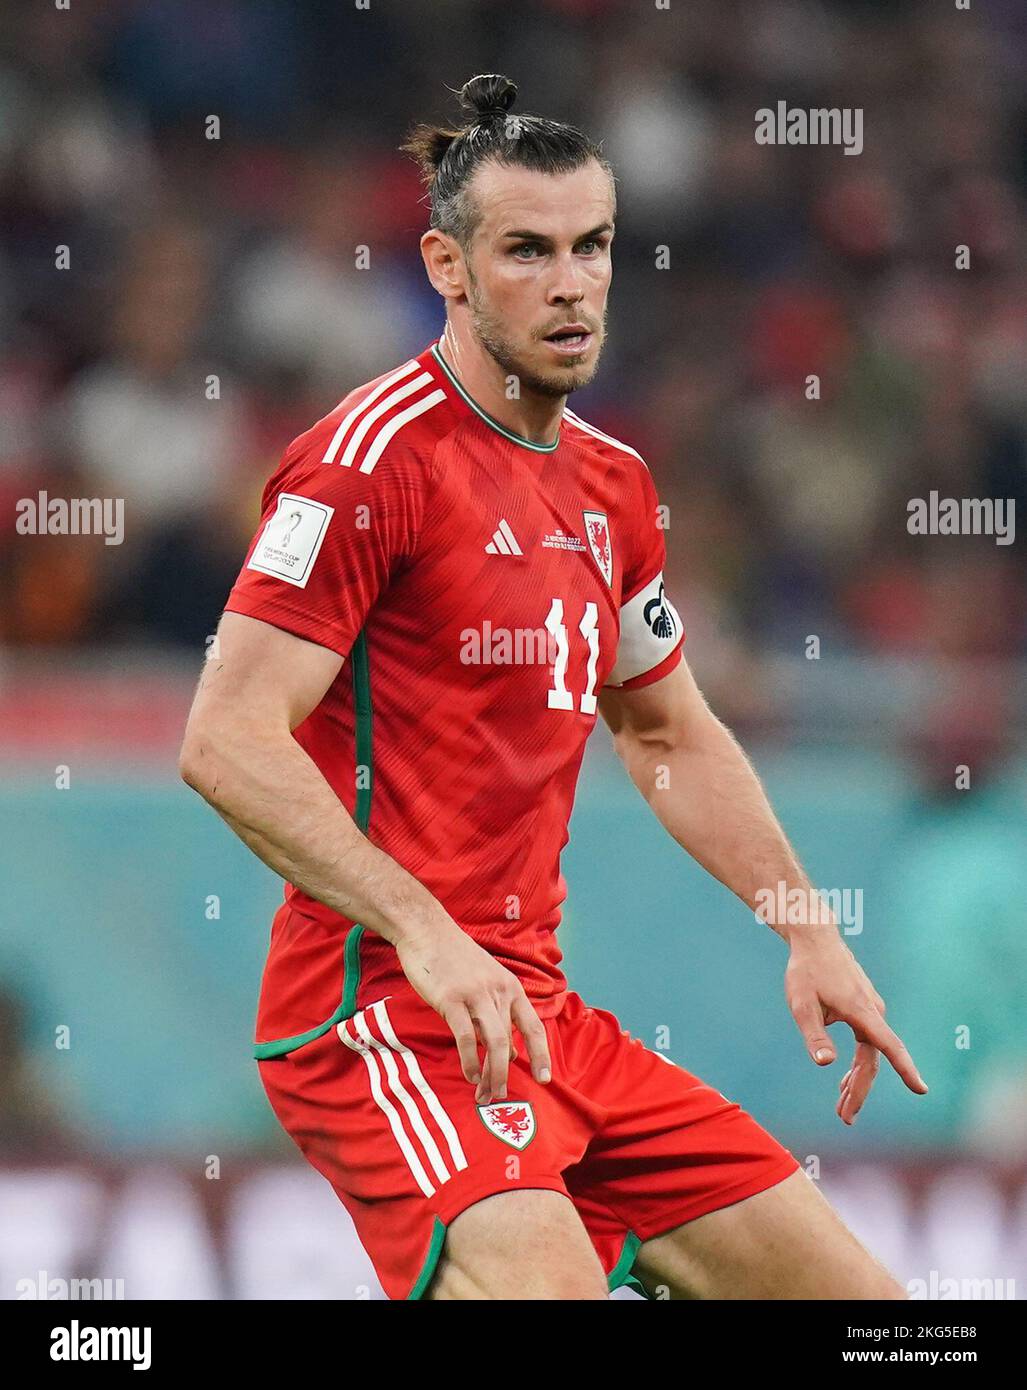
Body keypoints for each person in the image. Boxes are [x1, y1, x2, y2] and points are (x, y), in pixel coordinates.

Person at [179, 74, 926, 1301]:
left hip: (536, 1015)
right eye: (527, 250)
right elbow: (225, 739)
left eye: (593, 248)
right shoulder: (365, 466)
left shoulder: (613, 486)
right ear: (448, 265)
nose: (571, 282)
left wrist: (806, 925)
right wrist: (425, 930)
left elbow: (665, 726)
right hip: (382, 1013)